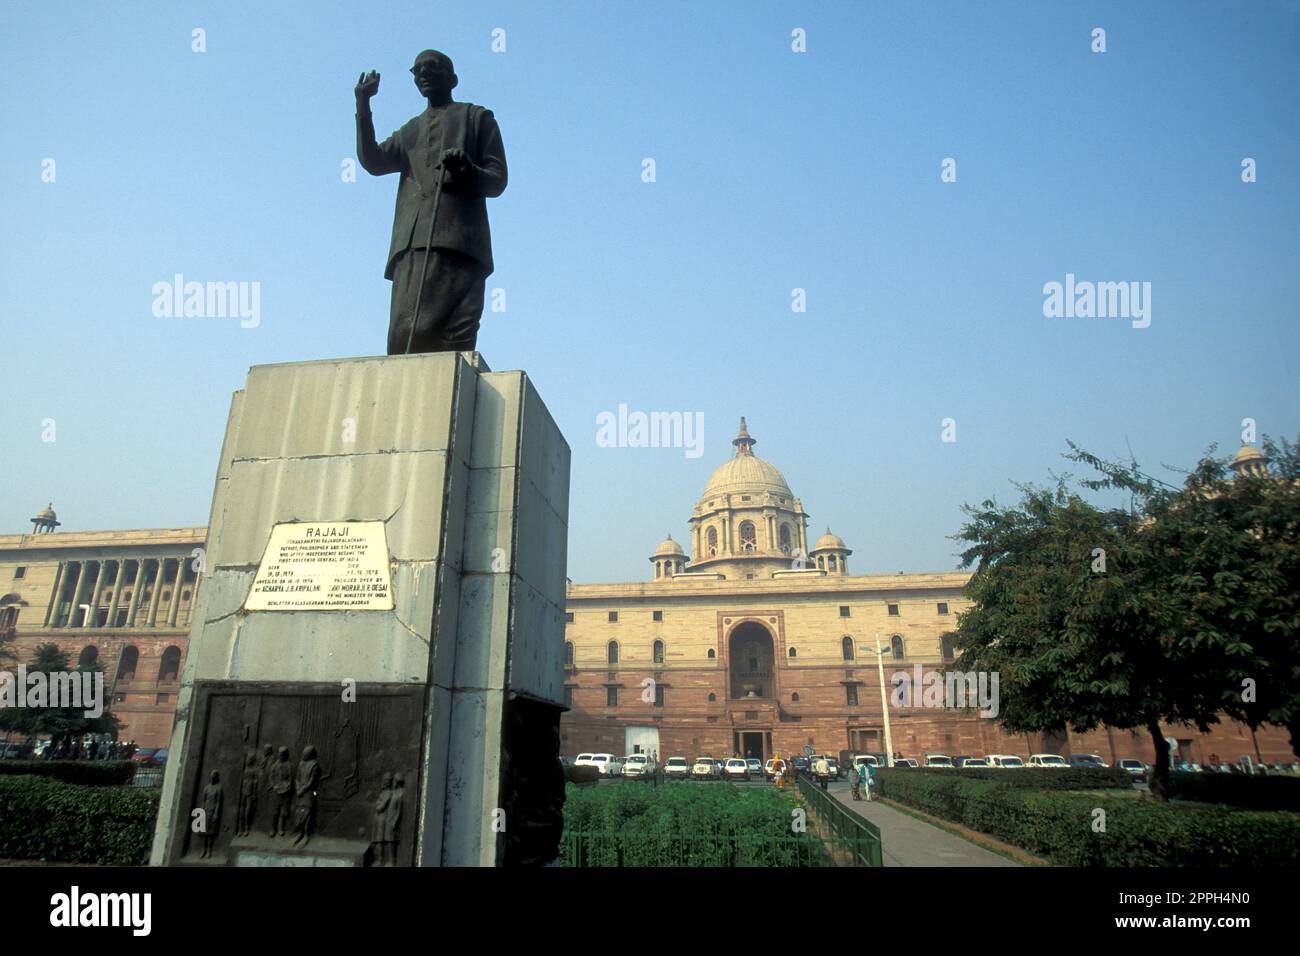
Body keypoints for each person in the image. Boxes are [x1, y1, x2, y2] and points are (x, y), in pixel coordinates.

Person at [355, 49, 508, 355]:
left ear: (452, 79)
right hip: (413, 244)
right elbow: (373, 161)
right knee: (406, 333)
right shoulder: (410, 131)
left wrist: (467, 169)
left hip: (462, 243)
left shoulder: (477, 118)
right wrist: (363, 104)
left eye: (432, 68)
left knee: (457, 337)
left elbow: (497, 179)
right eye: (417, 70)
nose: (424, 74)